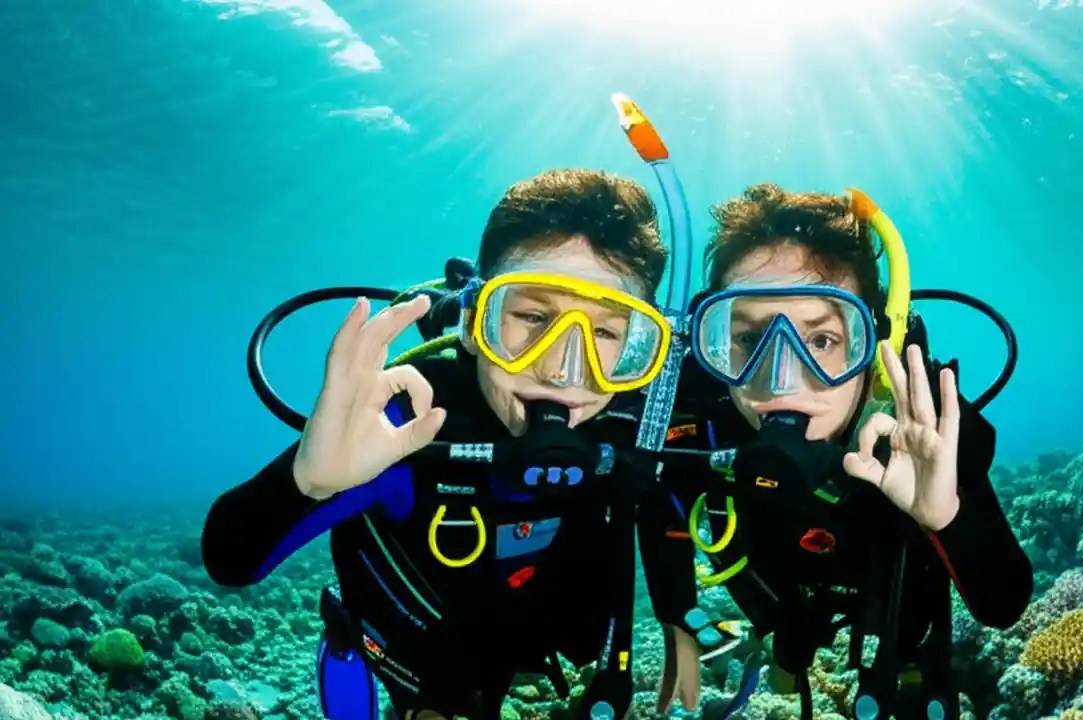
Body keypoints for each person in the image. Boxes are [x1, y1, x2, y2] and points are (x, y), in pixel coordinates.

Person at [202, 168, 676, 720]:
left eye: (604, 333)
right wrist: (306, 482)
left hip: (528, 637)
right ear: (476, 322)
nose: (562, 370)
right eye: (531, 317)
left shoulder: (633, 425)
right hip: (413, 645)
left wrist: (679, 612)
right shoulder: (408, 424)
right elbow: (228, 560)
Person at [640, 183, 1033, 720]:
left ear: (874, 342)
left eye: (821, 340)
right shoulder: (704, 418)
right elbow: (662, 510)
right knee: (788, 657)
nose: (781, 379)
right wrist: (678, 618)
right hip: (779, 610)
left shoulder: (923, 424)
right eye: (751, 341)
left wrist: (946, 517)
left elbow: (1004, 603)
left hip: (897, 617)